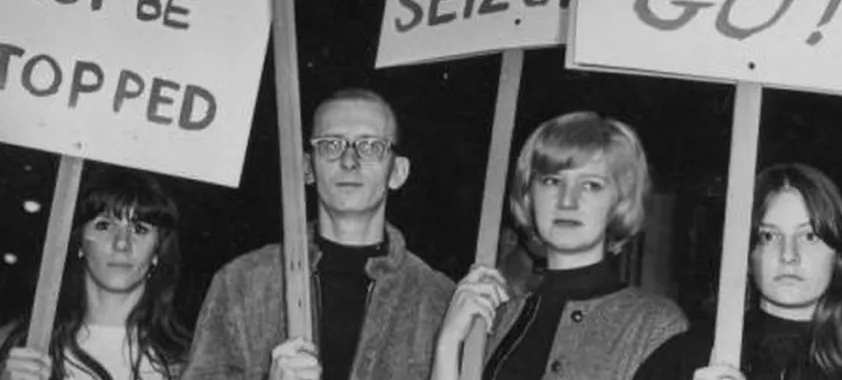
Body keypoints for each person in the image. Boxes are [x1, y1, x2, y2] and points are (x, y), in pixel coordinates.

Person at [181, 88, 453, 380]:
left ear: (398, 171)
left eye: (371, 146)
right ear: (307, 167)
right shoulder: (242, 283)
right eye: (331, 145)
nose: (349, 161)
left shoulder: (436, 300)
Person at [432, 111, 687, 380]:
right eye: (552, 181)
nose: (567, 200)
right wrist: (447, 345)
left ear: (619, 200)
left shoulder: (653, 326)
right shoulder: (495, 321)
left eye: (591, 185)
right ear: (529, 194)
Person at [634, 163, 842, 380]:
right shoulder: (690, 357)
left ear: (839, 252)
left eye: (809, 237)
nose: (788, 255)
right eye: (770, 236)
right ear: (747, 252)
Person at [0, 166, 191, 380]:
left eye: (139, 229)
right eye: (104, 225)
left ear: (158, 250)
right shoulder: (22, 347)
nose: (121, 243)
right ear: (80, 242)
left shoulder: (192, 361)